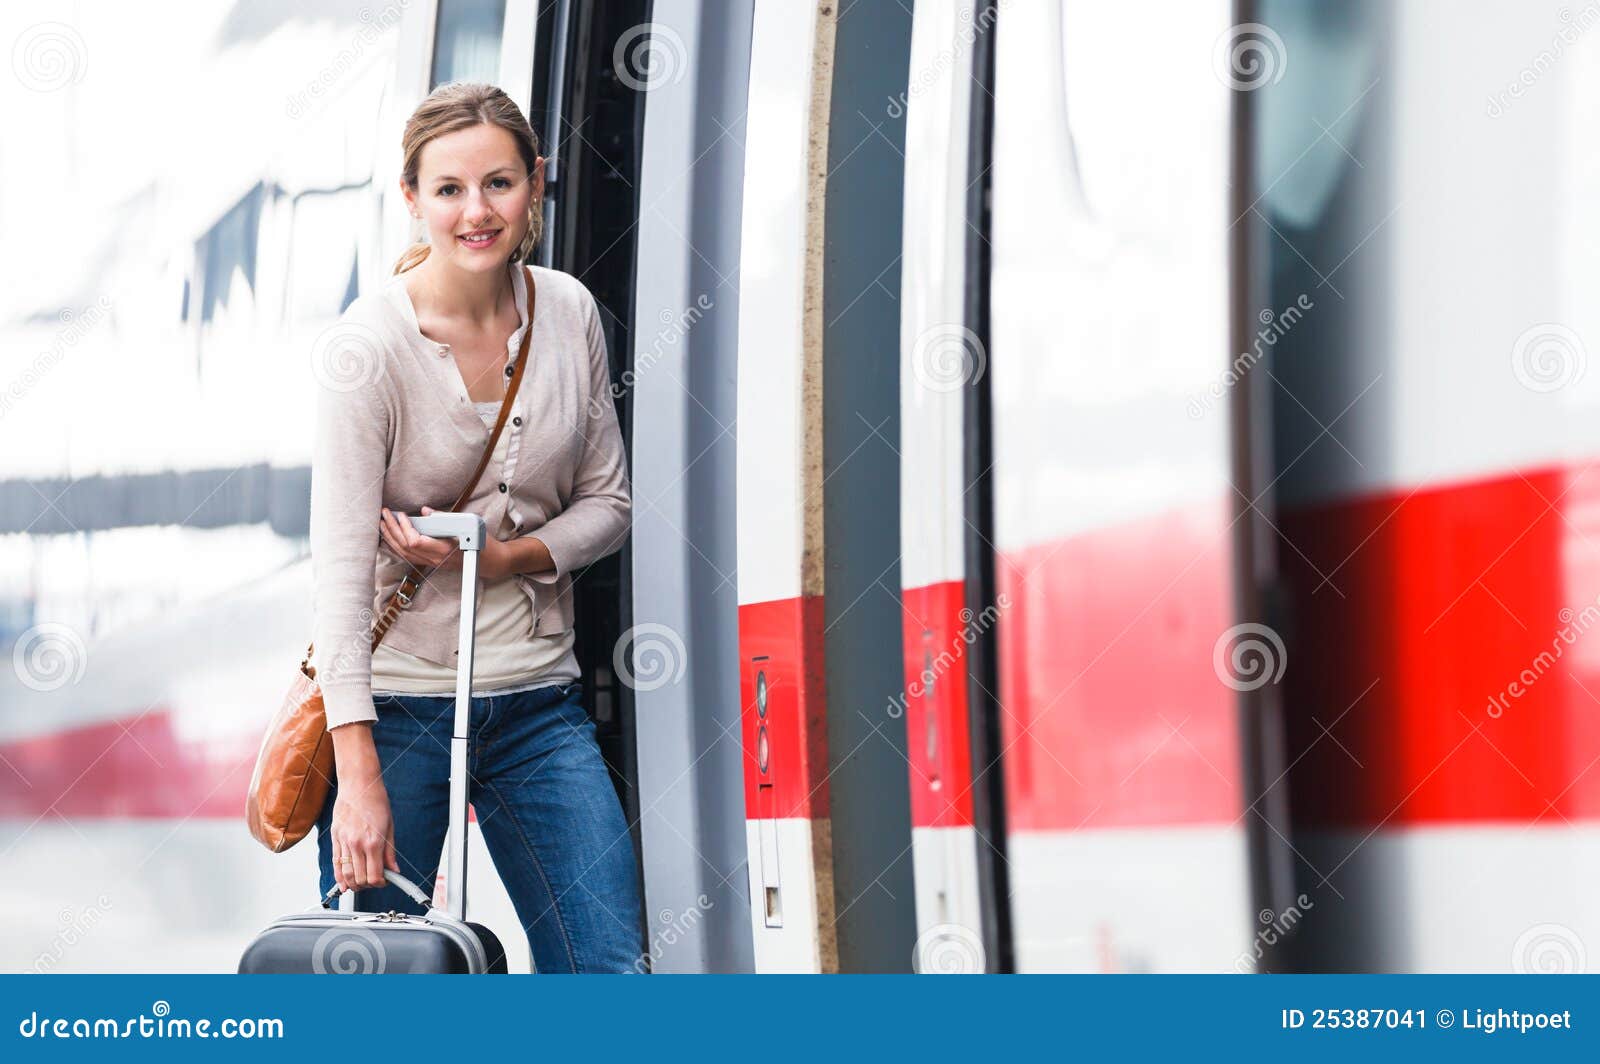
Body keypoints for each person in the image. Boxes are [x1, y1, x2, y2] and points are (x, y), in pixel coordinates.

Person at [306, 81, 642, 973]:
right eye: (448, 190)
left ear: (535, 183)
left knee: (608, 972)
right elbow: (338, 577)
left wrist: (510, 561)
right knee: (382, 998)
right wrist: (359, 780)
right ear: (411, 198)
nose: (476, 212)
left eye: (498, 183)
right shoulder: (366, 349)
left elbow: (610, 503)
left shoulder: (567, 313)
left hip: (538, 705)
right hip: (400, 712)